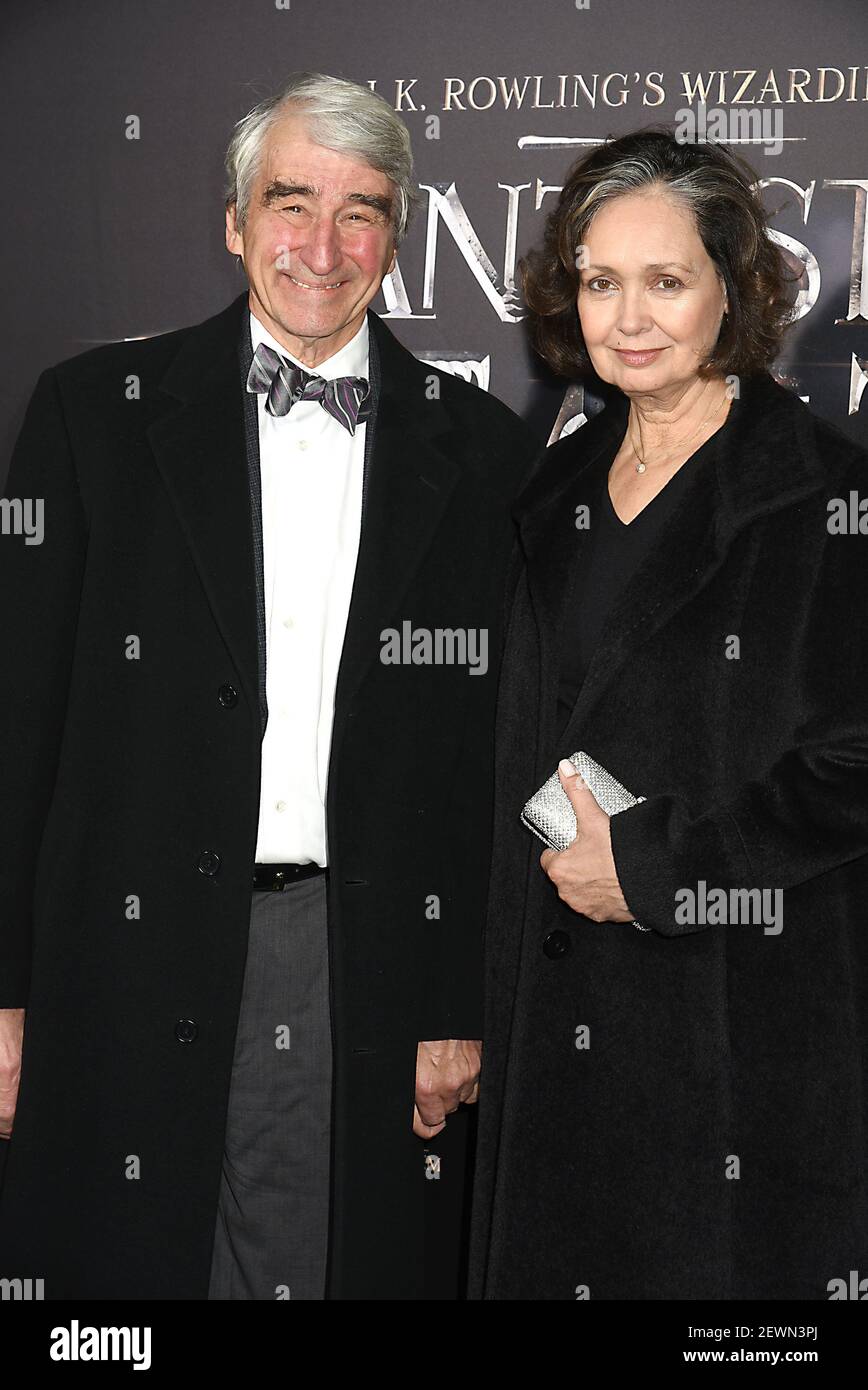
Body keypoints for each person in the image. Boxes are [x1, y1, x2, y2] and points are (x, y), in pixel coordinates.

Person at [0, 70, 536, 1300]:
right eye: (290, 202)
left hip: (349, 953)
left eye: (362, 212)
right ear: (234, 221)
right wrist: (5, 985)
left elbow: (485, 755)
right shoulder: (91, 416)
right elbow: (17, 721)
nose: (322, 245)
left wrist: (456, 1000)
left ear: (396, 240)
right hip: (119, 945)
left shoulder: (485, 449)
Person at [469, 127, 868, 1300]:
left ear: (734, 291)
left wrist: (659, 868)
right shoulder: (547, 486)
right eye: (600, 281)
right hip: (556, 1028)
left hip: (732, 1031)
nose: (627, 317)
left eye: (665, 280)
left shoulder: (822, 498)